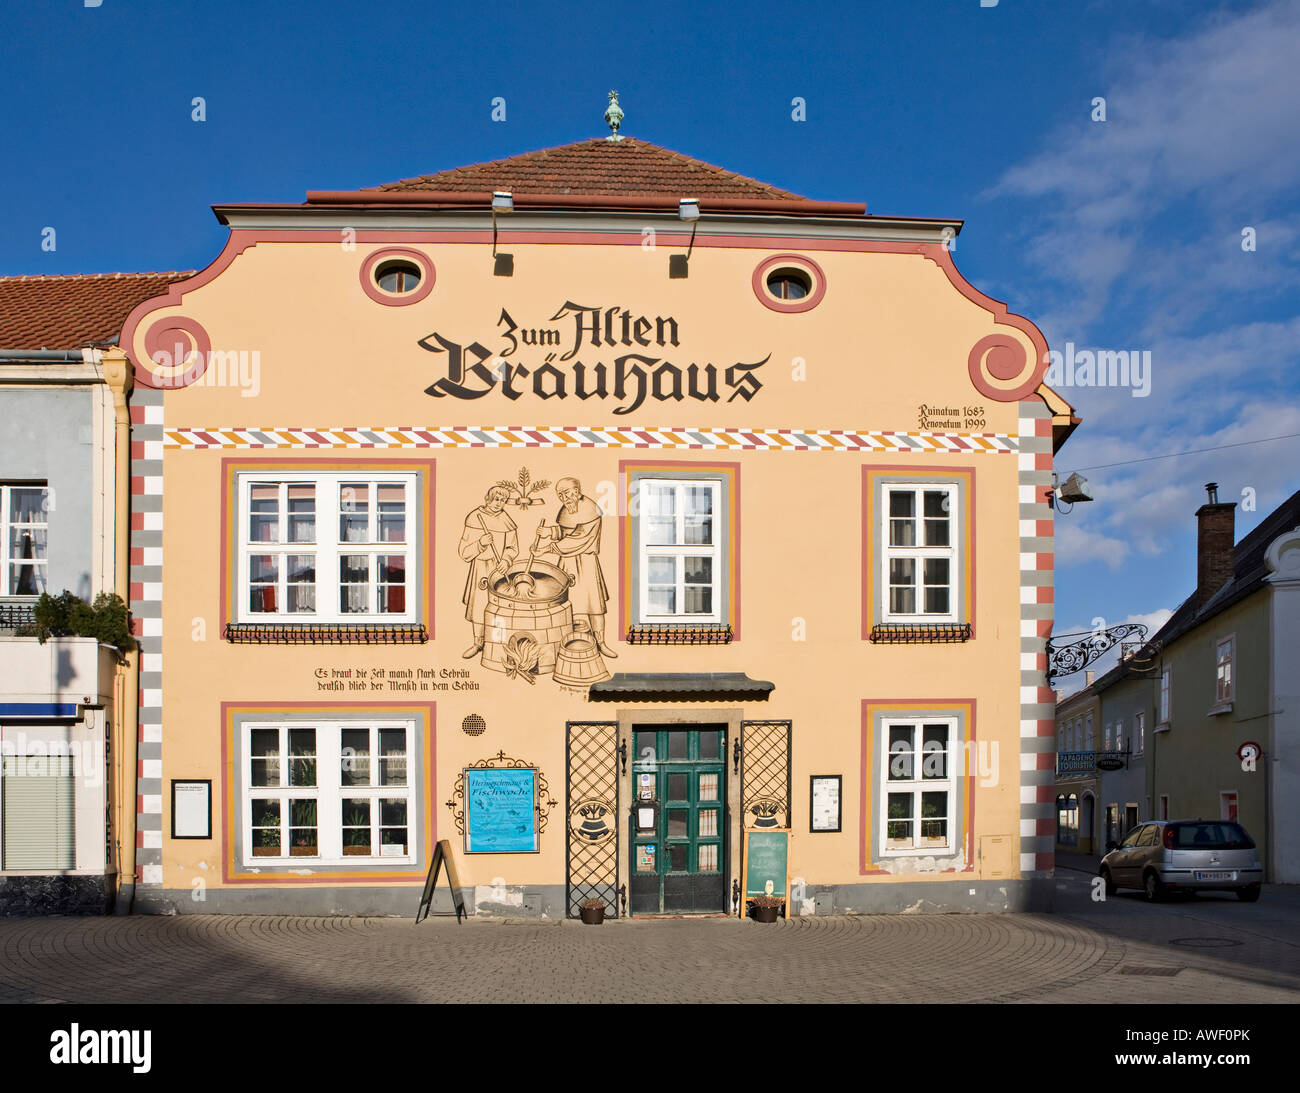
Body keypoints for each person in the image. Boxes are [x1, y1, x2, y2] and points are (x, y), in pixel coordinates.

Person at [534, 477, 616, 657]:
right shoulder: (567, 509)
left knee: (594, 605)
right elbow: (565, 532)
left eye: (566, 493)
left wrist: (547, 548)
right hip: (567, 562)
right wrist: (550, 531)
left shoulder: (591, 509)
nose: (564, 498)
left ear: (576, 491)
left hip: (586, 562)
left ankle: (601, 643)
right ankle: (566, 643)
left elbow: (579, 538)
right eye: (560, 495)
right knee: (566, 603)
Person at [458, 486, 518, 658]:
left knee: (500, 607)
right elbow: (463, 552)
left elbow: (513, 547)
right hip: (481, 569)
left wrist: (506, 560)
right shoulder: (474, 518)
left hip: (499, 570)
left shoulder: (506, 520)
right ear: (488, 498)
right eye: (496, 499)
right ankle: (478, 643)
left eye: (503, 501)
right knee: (479, 606)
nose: (499, 503)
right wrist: (480, 544)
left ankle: (498, 644)